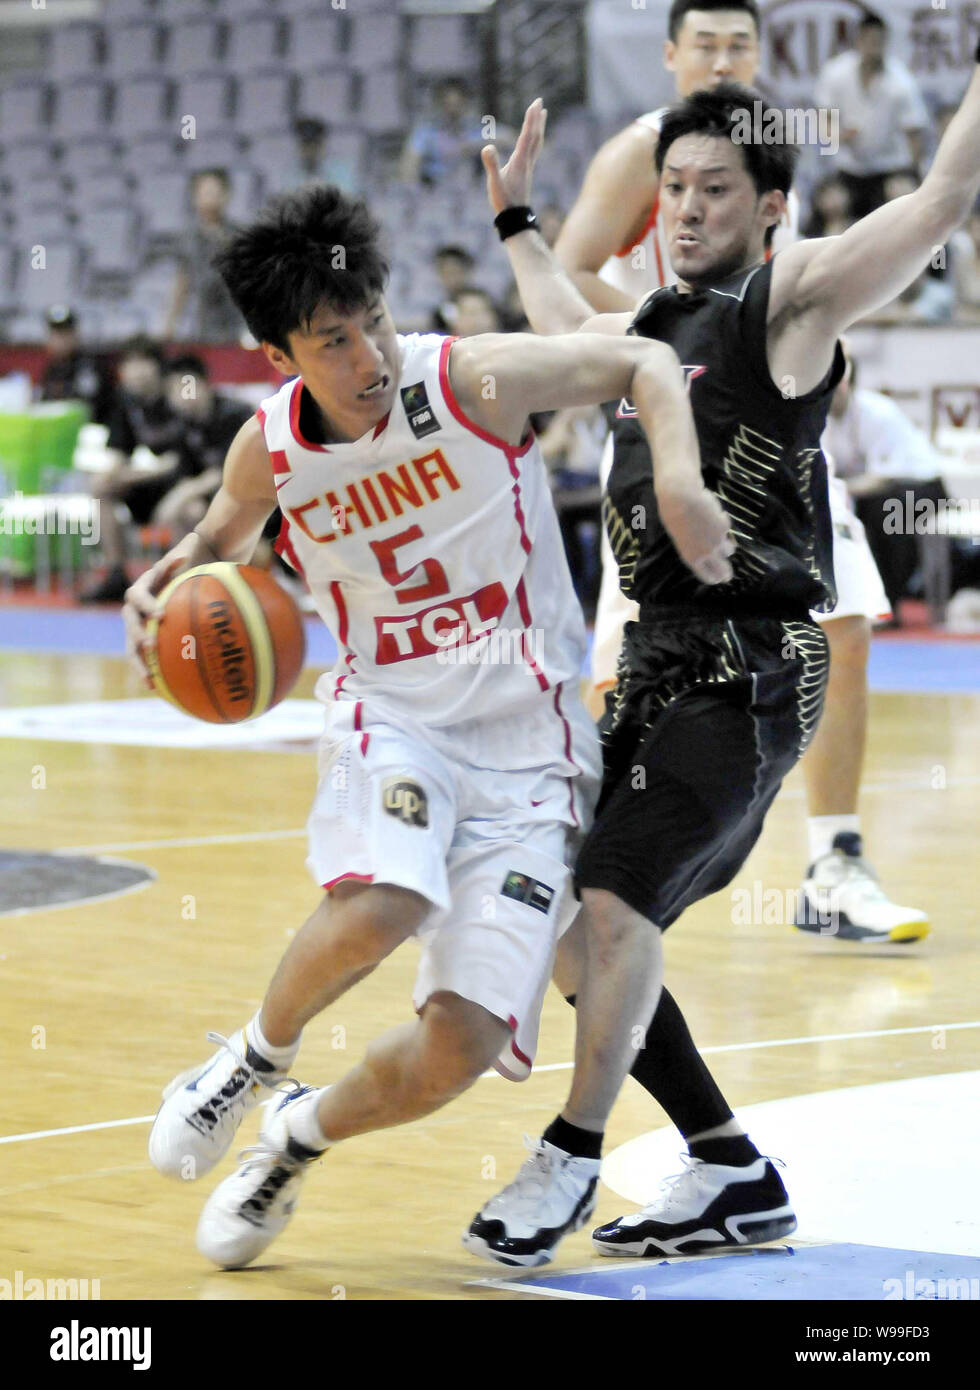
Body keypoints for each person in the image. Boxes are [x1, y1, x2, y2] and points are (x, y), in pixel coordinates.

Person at [126, 183, 726, 1269]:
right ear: (277, 356)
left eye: (374, 323)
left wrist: (677, 477)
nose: (367, 357)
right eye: (332, 341)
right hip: (390, 715)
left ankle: (291, 1140)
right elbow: (220, 537)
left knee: (462, 1045)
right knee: (389, 895)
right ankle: (252, 1060)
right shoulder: (269, 449)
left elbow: (640, 361)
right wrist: (160, 589)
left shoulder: (466, 380)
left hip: (531, 755)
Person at [465, 60, 979, 1267]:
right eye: (672, 190)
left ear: (764, 207)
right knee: (565, 925)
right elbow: (556, 324)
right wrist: (514, 223)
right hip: (656, 659)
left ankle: (569, 1157)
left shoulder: (785, 302)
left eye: (712, 189)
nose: (685, 208)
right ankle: (730, 1168)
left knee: (609, 903)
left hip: (750, 664)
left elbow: (942, 198)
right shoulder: (644, 326)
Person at [556, 0, 926, 944]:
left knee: (843, 620)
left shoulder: (764, 155)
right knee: (634, 660)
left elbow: (799, 288)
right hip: (668, 422)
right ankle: (609, 863)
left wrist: (785, 352)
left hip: (771, 435)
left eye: (740, 43)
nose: (724, 57)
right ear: (672, 54)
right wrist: (673, 333)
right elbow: (568, 267)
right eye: (706, 43)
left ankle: (834, 863)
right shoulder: (643, 149)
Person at [79, 336, 184, 604]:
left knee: (188, 509)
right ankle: (116, 574)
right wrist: (112, 475)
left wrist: (134, 473)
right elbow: (117, 454)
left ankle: (181, 581)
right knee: (101, 487)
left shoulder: (179, 394)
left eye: (143, 362)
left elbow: (176, 462)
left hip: (184, 483)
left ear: (158, 366)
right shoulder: (125, 403)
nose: (136, 370)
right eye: (129, 363)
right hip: (149, 483)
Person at [815, 12, 929, 219]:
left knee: (901, 196)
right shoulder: (835, 74)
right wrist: (838, 136)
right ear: (858, 40)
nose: (874, 47)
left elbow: (914, 134)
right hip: (848, 167)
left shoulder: (901, 82)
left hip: (889, 167)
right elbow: (825, 122)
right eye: (869, 40)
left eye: (879, 41)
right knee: (833, 203)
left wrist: (914, 177)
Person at [155, 355, 255, 538]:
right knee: (191, 510)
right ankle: (188, 566)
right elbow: (186, 473)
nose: (180, 395)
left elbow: (226, 471)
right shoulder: (182, 425)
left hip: (252, 498)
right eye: (172, 389)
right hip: (215, 498)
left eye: (186, 386)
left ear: (204, 384)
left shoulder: (236, 415)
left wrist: (180, 496)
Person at [163, 169, 244, 343]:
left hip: (234, 318)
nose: (210, 197)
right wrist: (170, 325)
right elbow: (181, 282)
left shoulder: (239, 235)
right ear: (194, 197)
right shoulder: (187, 238)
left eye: (215, 191)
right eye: (205, 192)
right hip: (201, 319)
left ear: (226, 195)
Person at [398, 78, 489, 186]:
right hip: (435, 190)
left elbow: (508, 139)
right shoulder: (426, 133)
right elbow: (408, 167)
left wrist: (473, 146)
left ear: (466, 104)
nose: (452, 111)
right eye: (447, 105)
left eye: (457, 105)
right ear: (438, 105)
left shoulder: (477, 130)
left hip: (470, 190)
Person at [37, 305, 115, 426]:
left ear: (76, 334)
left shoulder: (91, 366)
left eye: (65, 333)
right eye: (56, 334)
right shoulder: (51, 369)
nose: (60, 340)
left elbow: (92, 407)